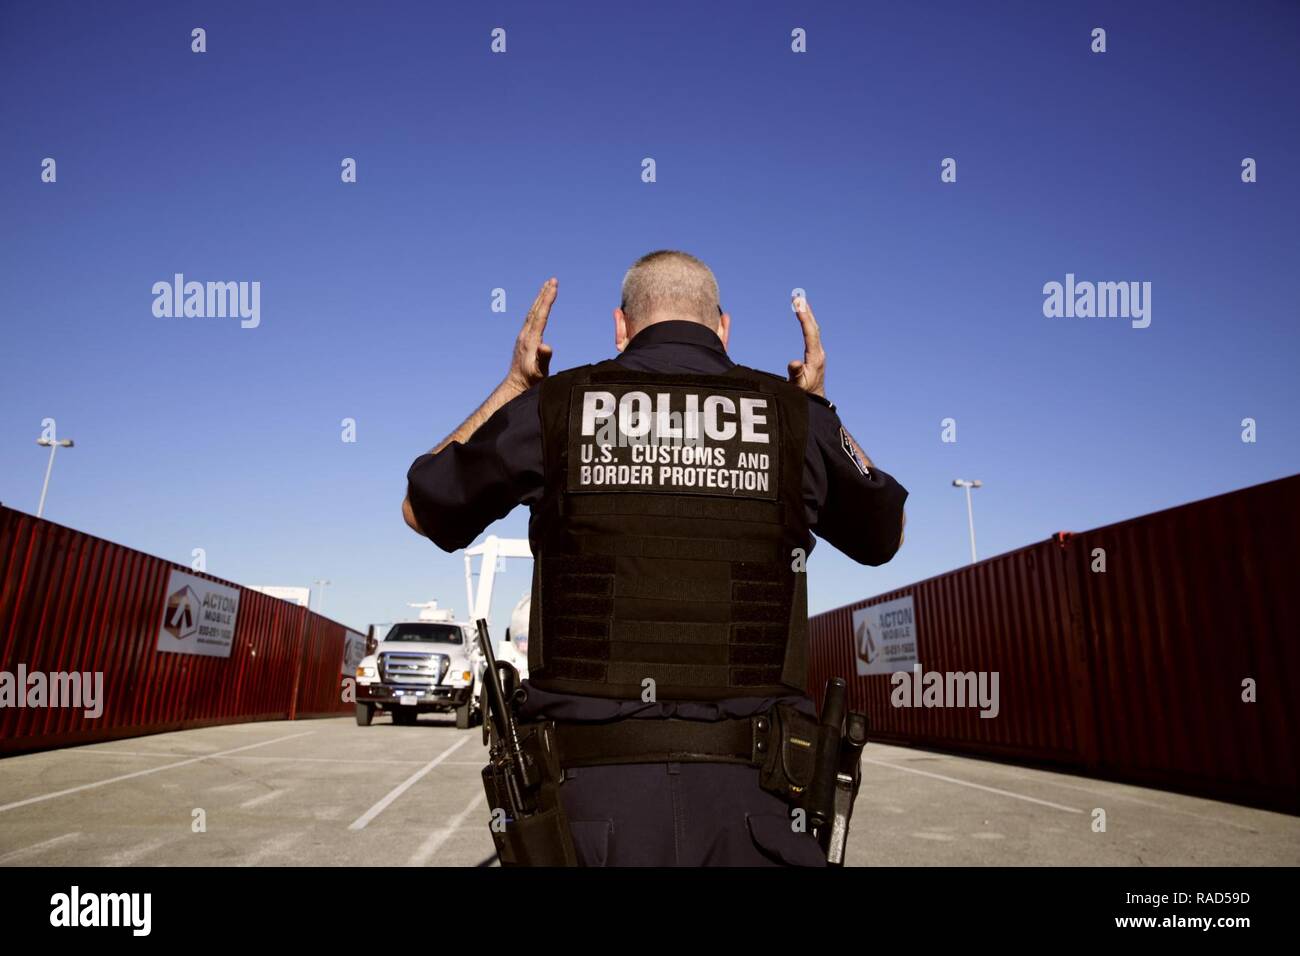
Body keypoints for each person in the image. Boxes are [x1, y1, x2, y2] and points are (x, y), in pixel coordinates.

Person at [403, 250, 907, 866]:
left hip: (586, 815)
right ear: (724, 328)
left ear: (620, 326)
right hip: (758, 808)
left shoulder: (559, 405)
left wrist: (514, 387)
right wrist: (819, 411)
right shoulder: (792, 413)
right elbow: (888, 533)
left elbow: (422, 507)